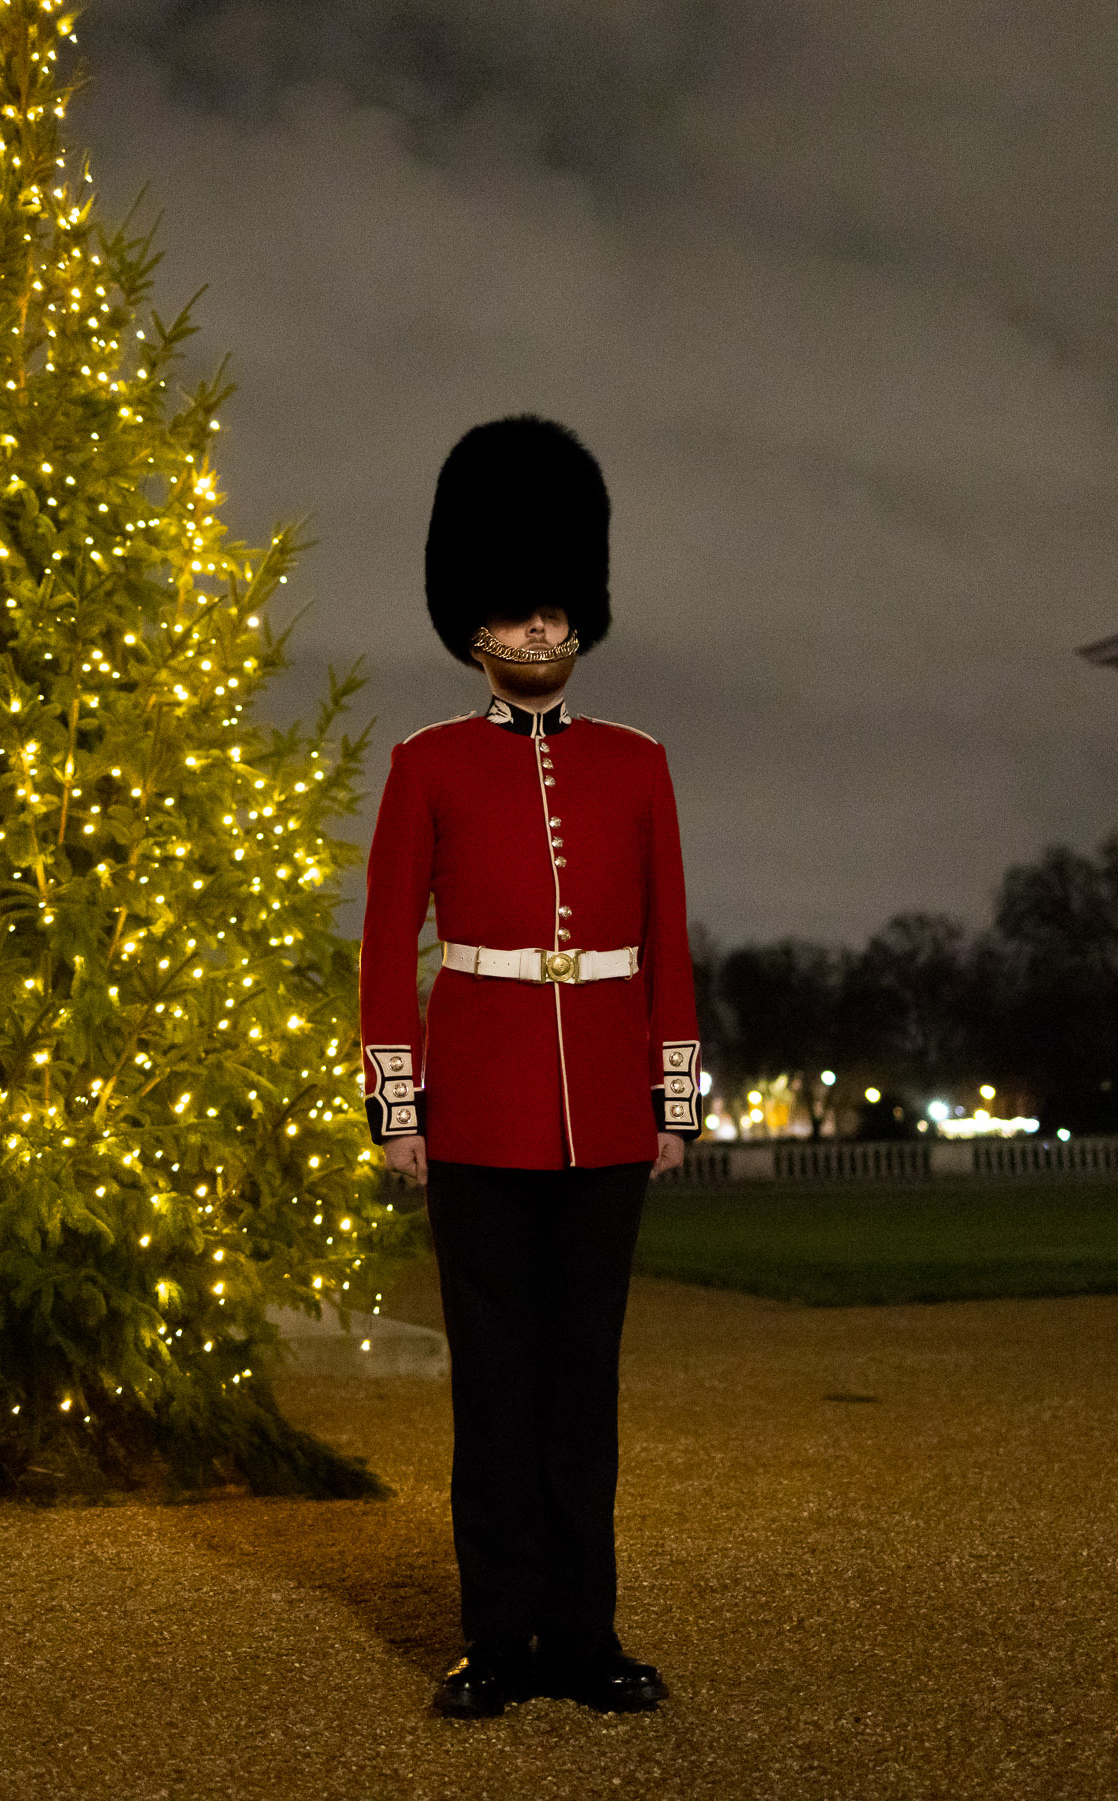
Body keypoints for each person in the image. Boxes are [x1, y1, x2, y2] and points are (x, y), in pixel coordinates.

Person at [358, 415, 702, 1720]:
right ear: (476, 628)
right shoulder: (427, 765)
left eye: (554, 615)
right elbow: (390, 947)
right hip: (480, 1112)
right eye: (514, 619)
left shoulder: (639, 766)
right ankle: (498, 1637)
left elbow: (667, 939)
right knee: (494, 1390)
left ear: (580, 618)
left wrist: (671, 1102)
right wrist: (401, 1106)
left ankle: (587, 1632)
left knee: (584, 1388)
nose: (537, 637)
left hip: (608, 1108)